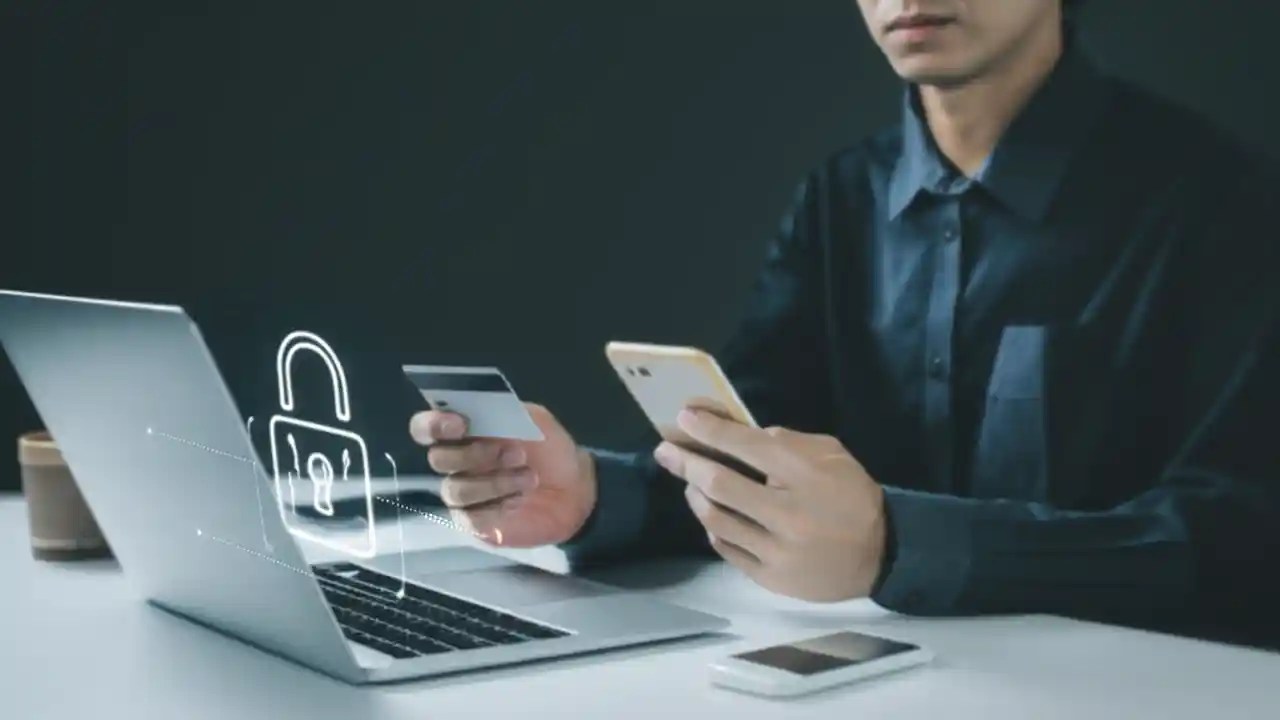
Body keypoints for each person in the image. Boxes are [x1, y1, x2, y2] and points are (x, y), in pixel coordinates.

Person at [410, 0, 1280, 646]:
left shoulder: (1216, 201)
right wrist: (593, 497)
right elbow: (749, 448)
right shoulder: (840, 199)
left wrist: (894, 546)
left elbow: (1241, 537)